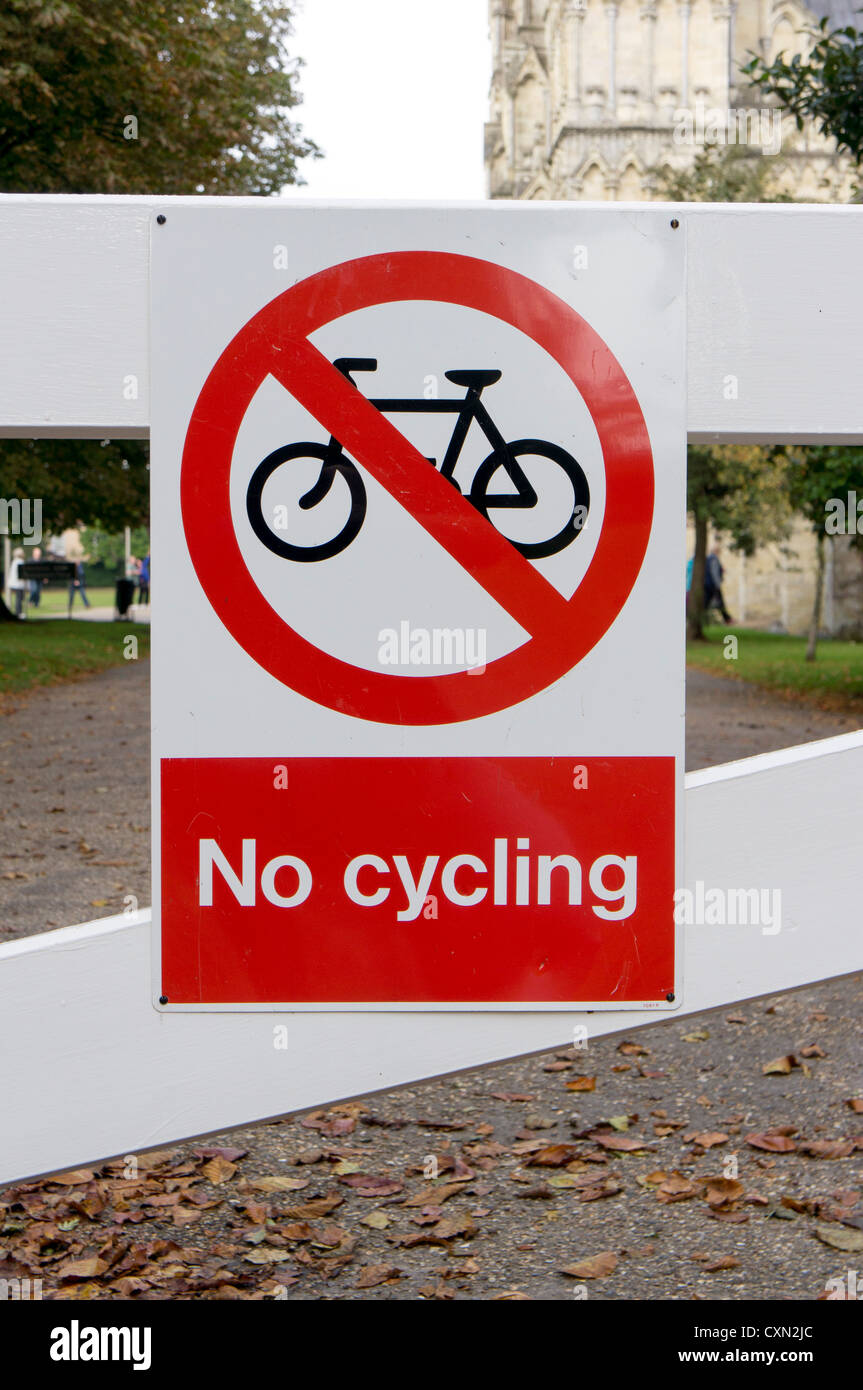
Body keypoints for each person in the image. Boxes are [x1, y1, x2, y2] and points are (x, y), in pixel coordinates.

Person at [704, 547, 732, 624]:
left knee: (707, 603)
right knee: (718, 602)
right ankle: (727, 619)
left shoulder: (708, 559)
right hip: (712, 585)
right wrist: (718, 584)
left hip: (708, 584)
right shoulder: (714, 559)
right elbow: (714, 572)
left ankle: (727, 618)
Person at [8, 547, 26, 617]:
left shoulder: (14, 561)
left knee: (19, 597)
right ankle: (18, 612)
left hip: (14, 583)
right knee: (19, 598)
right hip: (18, 584)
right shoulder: (20, 562)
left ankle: (18, 611)